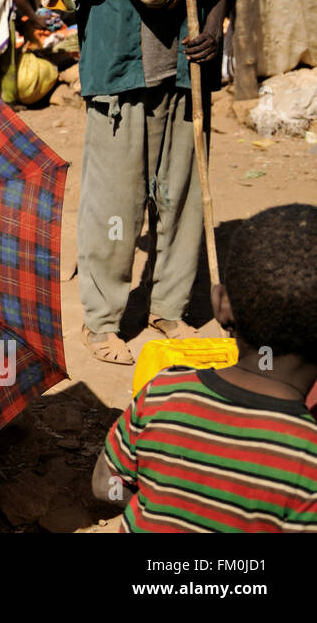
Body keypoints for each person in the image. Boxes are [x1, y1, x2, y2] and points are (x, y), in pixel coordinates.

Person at [57, 0, 250, 365]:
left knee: (182, 198)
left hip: (183, 69)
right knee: (116, 207)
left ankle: (168, 310)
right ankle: (103, 318)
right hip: (119, 67)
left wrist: (214, 29)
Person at [93, 204, 317, 531]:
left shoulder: (161, 393)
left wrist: (160, 506)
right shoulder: (307, 459)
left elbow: (104, 483)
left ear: (221, 305)